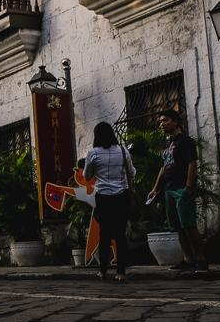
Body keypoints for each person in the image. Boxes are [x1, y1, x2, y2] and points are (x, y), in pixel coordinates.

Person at [147, 110, 208, 273]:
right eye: (160, 121)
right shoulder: (168, 144)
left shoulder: (186, 141)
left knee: (189, 225)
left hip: (182, 188)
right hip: (169, 189)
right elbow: (164, 167)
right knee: (178, 228)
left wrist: (188, 187)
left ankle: (201, 259)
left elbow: (192, 164)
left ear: (175, 122)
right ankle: (188, 259)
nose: (161, 124)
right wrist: (155, 188)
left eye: (165, 120)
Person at [82, 122, 134, 283]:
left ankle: (103, 271)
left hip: (103, 196)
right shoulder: (124, 151)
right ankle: (121, 272)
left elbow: (87, 176)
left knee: (104, 234)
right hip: (121, 196)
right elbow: (131, 172)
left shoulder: (93, 153)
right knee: (120, 234)